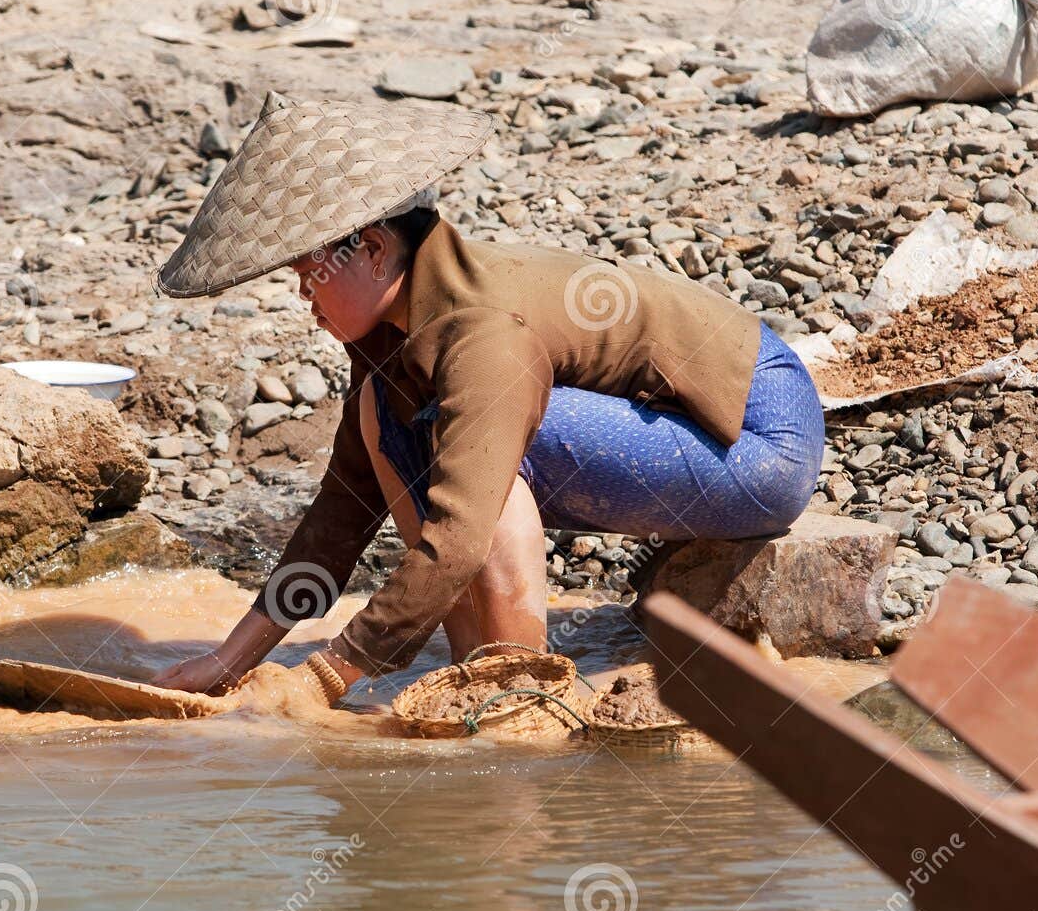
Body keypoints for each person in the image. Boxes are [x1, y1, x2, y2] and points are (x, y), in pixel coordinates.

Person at [151, 92, 824, 703]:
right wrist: (231, 657)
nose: (306, 301)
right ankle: (479, 663)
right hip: (686, 427)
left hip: (756, 438)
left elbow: (459, 535)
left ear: (376, 250)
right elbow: (345, 505)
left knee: (480, 445)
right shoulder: (391, 330)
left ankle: (521, 686)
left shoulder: (481, 331)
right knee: (392, 420)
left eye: (310, 277)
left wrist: (328, 676)